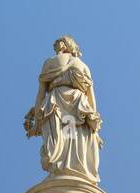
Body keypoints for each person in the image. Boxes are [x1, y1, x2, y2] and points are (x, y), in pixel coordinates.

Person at [24, 36, 102, 182]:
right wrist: (37, 113)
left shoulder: (52, 63)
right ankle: (65, 168)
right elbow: (41, 91)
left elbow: (90, 95)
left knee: (71, 137)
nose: (55, 46)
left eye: (58, 42)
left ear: (66, 45)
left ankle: (72, 169)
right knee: (64, 137)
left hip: (71, 103)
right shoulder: (78, 65)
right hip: (64, 104)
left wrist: (94, 123)